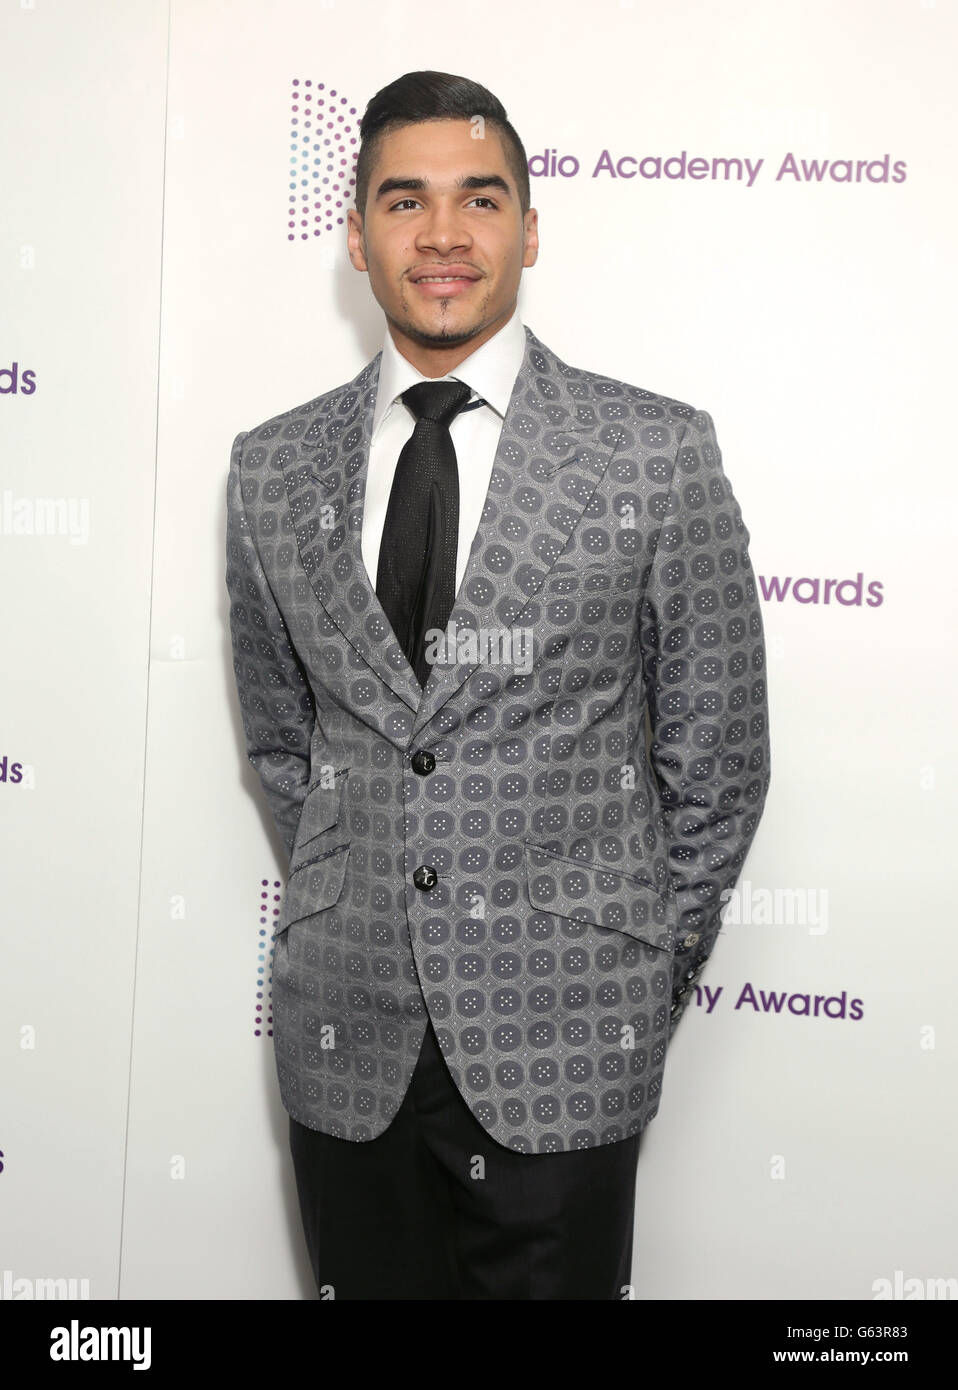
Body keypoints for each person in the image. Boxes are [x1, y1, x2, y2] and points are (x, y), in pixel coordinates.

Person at [225, 69, 771, 1300]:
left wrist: (639, 965)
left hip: (568, 1039)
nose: (443, 234)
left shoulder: (653, 450)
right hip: (346, 1037)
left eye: (480, 198)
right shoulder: (268, 468)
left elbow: (718, 760)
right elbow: (282, 746)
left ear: (529, 228)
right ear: (356, 238)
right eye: (403, 200)